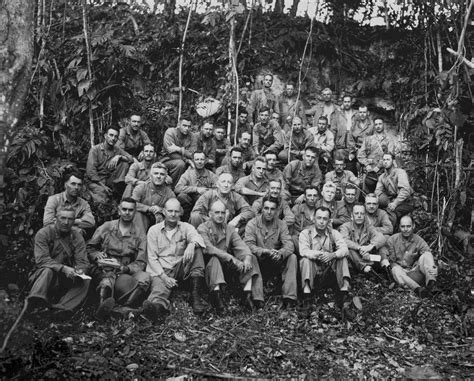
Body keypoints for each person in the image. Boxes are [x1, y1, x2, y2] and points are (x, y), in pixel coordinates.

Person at [143, 199, 208, 322]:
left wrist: (192, 244)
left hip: (180, 267)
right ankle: (157, 310)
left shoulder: (186, 227)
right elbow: (152, 258)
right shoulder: (154, 230)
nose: (173, 214)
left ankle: (195, 296)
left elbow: (197, 237)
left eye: (176, 211)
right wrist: (164, 277)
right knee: (159, 291)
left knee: (197, 250)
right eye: (170, 211)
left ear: (180, 213)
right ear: (164, 212)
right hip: (162, 269)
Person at [87, 198, 150, 319]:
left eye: (131, 210)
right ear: (119, 210)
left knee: (145, 278)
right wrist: (96, 255)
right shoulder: (106, 227)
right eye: (124, 209)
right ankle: (103, 309)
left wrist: (126, 268)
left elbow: (141, 261)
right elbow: (90, 248)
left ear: (135, 212)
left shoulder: (140, 233)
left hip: (125, 271)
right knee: (106, 283)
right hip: (105, 269)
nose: (127, 212)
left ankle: (126, 307)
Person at [198, 200, 264, 312]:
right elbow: (209, 249)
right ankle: (217, 297)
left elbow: (241, 245)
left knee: (251, 257)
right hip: (209, 268)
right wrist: (232, 258)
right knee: (214, 259)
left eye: (222, 213)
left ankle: (250, 296)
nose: (220, 216)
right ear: (210, 214)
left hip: (226, 266)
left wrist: (247, 258)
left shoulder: (229, 228)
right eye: (217, 212)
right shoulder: (202, 228)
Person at [27, 206, 90, 315]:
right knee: (48, 270)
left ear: (74, 221)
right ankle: (35, 302)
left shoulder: (77, 237)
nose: (66, 222)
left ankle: (61, 309)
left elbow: (83, 262)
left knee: (85, 280)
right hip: (42, 278)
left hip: (64, 278)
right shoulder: (44, 234)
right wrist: (63, 268)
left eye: (70, 219)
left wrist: (79, 271)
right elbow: (41, 260)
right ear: (55, 219)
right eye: (63, 218)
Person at [244, 196, 297, 308]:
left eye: (272, 209)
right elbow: (248, 245)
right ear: (261, 209)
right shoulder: (252, 223)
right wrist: (263, 251)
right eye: (266, 208)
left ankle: (289, 298)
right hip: (259, 260)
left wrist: (280, 253)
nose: (269, 212)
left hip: (274, 260)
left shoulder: (281, 224)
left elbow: (289, 244)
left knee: (292, 257)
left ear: (277, 211)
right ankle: (257, 299)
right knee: (250, 256)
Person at [299, 206, 351, 310]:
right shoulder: (306, 233)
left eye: (325, 219)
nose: (322, 222)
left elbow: (345, 249)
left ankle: (344, 293)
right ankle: (307, 295)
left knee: (342, 258)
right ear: (314, 219)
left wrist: (332, 255)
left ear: (329, 221)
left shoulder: (334, 233)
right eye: (319, 218)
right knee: (305, 260)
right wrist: (320, 254)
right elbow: (303, 251)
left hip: (330, 272)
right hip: (314, 272)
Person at [387, 215, 437, 298]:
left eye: (408, 226)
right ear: (399, 227)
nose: (405, 229)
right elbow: (390, 261)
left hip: (413, 272)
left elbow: (427, 253)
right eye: (403, 226)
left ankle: (431, 284)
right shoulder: (392, 239)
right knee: (395, 269)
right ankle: (418, 290)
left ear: (413, 226)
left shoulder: (418, 240)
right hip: (400, 275)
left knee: (427, 255)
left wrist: (433, 268)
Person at [339, 203, 391, 278]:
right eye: (356, 213)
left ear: (364, 215)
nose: (359, 216)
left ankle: (387, 269)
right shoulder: (345, 226)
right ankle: (370, 272)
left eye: (362, 213)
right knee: (349, 250)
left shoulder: (368, 227)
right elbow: (344, 240)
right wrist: (359, 248)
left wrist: (370, 247)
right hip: (353, 260)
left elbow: (381, 237)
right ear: (352, 215)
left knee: (382, 247)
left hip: (367, 256)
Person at [190, 173, 254, 229]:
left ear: (232, 186)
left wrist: (237, 219)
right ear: (217, 184)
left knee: (248, 222)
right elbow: (196, 212)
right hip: (209, 227)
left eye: (229, 182)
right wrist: (213, 222)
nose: (226, 185)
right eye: (223, 182)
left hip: (228, 227)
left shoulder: (236, 197)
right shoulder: (208, 195)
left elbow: (249, 211)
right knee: (195, 216)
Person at [86, 127, 134, 203]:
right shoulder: (95, 150)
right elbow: (91, 173)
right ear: (105, 136)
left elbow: (131, 159)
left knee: (124, 163)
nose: (113, 138)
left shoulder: (117, 149)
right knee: (103, 198)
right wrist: (103, 186)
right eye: (111, 135)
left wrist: (120, 156)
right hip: (97, 181)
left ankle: (117, 189)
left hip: (111, 179)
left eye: (115, 136)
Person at [132, 162, 176, 234]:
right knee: (138, 215)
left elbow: (179, 210)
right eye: (156, 173)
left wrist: (161, 210)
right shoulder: (141, 187)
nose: (158, 176)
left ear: (165, 177)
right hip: (141, 221)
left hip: (159, 222)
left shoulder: (169, 193)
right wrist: (149, 209)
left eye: (162, 174)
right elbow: (131, 204)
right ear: (150, 176)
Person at [358, 118, 399, 193]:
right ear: (374, 126)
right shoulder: (368, 139)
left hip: (382, 171)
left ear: (384, 125)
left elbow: (390, 155)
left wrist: (378, 166)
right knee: (365, 192)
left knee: (381, 192)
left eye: (380, 124)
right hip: (368, 171)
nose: (378, 126)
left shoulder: (389, 139)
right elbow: (360, 155)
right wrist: (367, 165)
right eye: (376, 124)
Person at [176, 151, 218, 221]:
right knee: (182, 197)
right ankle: (185, 221)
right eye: (197, 159)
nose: (199, 162)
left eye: (202, 159)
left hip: (205, 202)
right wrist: (196, 189)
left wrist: (208, 192)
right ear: (193, 161)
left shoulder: (211, 175)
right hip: (191, 201)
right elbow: (177, 188)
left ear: (205, 161)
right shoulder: (188, 174)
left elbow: (218, 189)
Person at [375, 153, 414, 226]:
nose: (385, 162)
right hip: (391, 201)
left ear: (392, 161)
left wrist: (395, 203)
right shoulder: (382, 177)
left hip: (405, 202)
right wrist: (385, 200)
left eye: (388, 159)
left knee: (391, 213)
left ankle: (392, 231)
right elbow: (377, 191)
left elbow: (405, 191)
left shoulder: (400, 172)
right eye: (384, 160)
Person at [160, 116, 197, 186]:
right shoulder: (170, 132)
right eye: (184, 125)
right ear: (178, 125)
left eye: (189, 126)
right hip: (167, 160)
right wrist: (186, 159)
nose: (187, 128)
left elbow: (192, 154)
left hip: (187, 161)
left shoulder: (193, 136)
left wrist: (178, 149)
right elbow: (170, 153)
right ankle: (173, 187)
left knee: (197, 164)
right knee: (180, 164)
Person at [331, 96, 357, 174]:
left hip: (352, 141)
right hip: (340, 141)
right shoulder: (338, 114)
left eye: (348, 102)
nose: (347, 104)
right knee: (339, 160)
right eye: (345, 102)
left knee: (351, 162)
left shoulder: (356, 114)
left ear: (351, 102)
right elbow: (333, 129)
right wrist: (333, 142)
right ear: (342, 103)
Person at [291, 186, 319, 252]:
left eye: (314, 196)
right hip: (301, 240)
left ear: (318, 198)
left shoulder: (321, 209)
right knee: (293, 238)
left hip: (317, 240)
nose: (312, 198)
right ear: (304, 198)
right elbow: (295, 230)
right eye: (309, 195)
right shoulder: (297, 209)